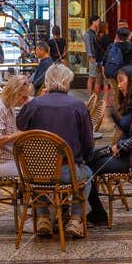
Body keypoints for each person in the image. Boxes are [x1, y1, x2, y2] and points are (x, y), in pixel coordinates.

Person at [16, 63, 94, 239]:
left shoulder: (33, 104)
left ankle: (43, 217)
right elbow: (87, 142)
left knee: (41, 177)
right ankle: (75, 220)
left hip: (34, 171)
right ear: (67, 82)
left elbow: (20, 125)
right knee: (87, 175)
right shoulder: (78, 106)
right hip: (66, 171)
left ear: (47, 81)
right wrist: (84, 159)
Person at [85, 65, 132, 225]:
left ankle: (98, 213)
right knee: (86, 159)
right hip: (126, 153)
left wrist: (120, 146)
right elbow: (130, 130)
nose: (118, 85)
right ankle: (95, 211)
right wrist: (115, 116)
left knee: (86, 168)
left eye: (121, 81)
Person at [0, 75, 32, 179]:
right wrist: (22, 134)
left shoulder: (9, 107)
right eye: (24, 97)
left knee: (37, 165)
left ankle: (27, 190)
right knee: (36, 170)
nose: (26, 100)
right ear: (14, 93)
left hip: (7, 159)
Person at [84, 17, 109, 99]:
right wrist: (90, 57)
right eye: (98, 21)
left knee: (97, 79)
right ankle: (90, 96)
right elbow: (88, 46)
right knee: (92, 77)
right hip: (93, 58)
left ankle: (95, 97)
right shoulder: (88, 33)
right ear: (93, 22)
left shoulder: (96, 33)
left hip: (97, 58)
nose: (99, 23)